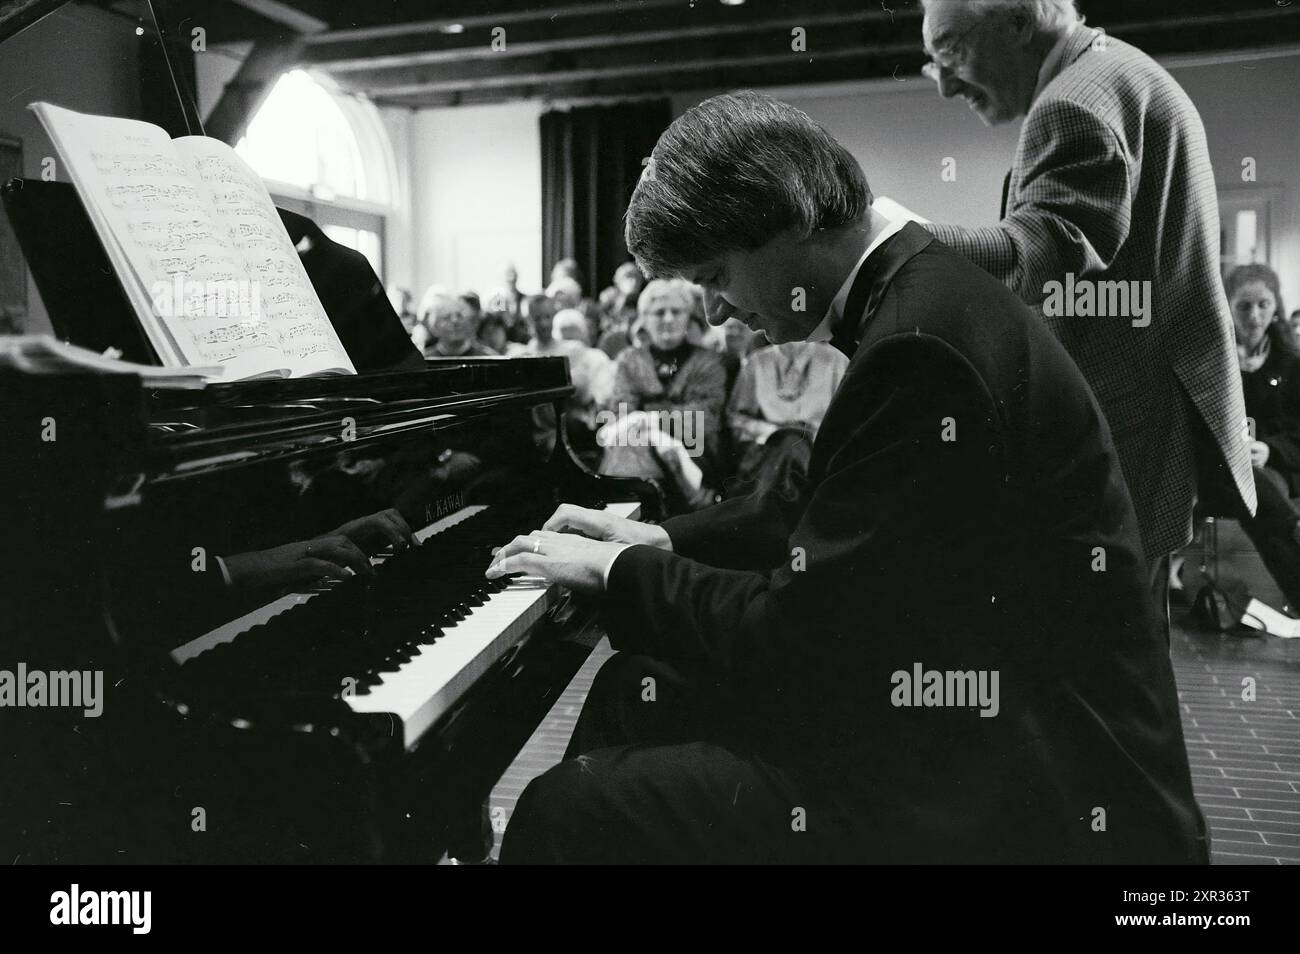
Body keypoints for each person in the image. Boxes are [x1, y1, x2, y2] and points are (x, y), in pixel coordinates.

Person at [486, 91, 1206, 864]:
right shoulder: (923, 294)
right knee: (635, 687)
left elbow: (801, 636)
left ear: (791, 221)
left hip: (1027, 779)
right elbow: (825, 509)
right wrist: (656, 535)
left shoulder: (918, 345)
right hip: (981, 707)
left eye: (716, 273)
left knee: (565, 809)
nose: (718, 313)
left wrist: (625, 573)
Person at [918, 0, 1255, 614]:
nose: (941, 85)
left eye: (950, 52)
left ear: (1018, 23)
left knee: (1103, 650)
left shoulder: (1073, 101)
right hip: (1142, 418)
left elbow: (1043, 247)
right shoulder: (1114, 73)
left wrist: (902, 239)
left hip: (1118, 424)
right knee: (1127, 650)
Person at [1203, 264, 1300, 610]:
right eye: (1244, 306)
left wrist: (1270, 450)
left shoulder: (1292, 365)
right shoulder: (1210, 359)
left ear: (1276, 306)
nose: (1254, 316)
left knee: (1263, 494)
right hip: (1215, 473)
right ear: (1227, 306)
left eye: (1263, 305)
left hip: (1271, 473)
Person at [598, 278, 727, 510]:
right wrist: (653, 427)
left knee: (631, 445)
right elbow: (621, 410)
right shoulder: (629, 360)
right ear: (644, 320)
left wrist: (649, 418)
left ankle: (631, 516)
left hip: (695, 448)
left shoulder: (709, 362)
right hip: (637, 444)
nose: (668, 318)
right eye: (659, 313)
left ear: (688, 317)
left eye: (676, 311)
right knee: (630, 446)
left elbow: (705, 418)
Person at [727, 339, 848, 493]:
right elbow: (736, 418)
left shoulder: (835, 360)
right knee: (789, 444)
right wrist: (775, 431)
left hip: (821, 452)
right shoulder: (757, 362)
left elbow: (848, 418)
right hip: (769, 452)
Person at [419, 290, 495, 358]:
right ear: (435, 327)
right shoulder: (424, 360)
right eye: (446, 317)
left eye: (459, 316)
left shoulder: (488, 358)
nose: (455, 321)